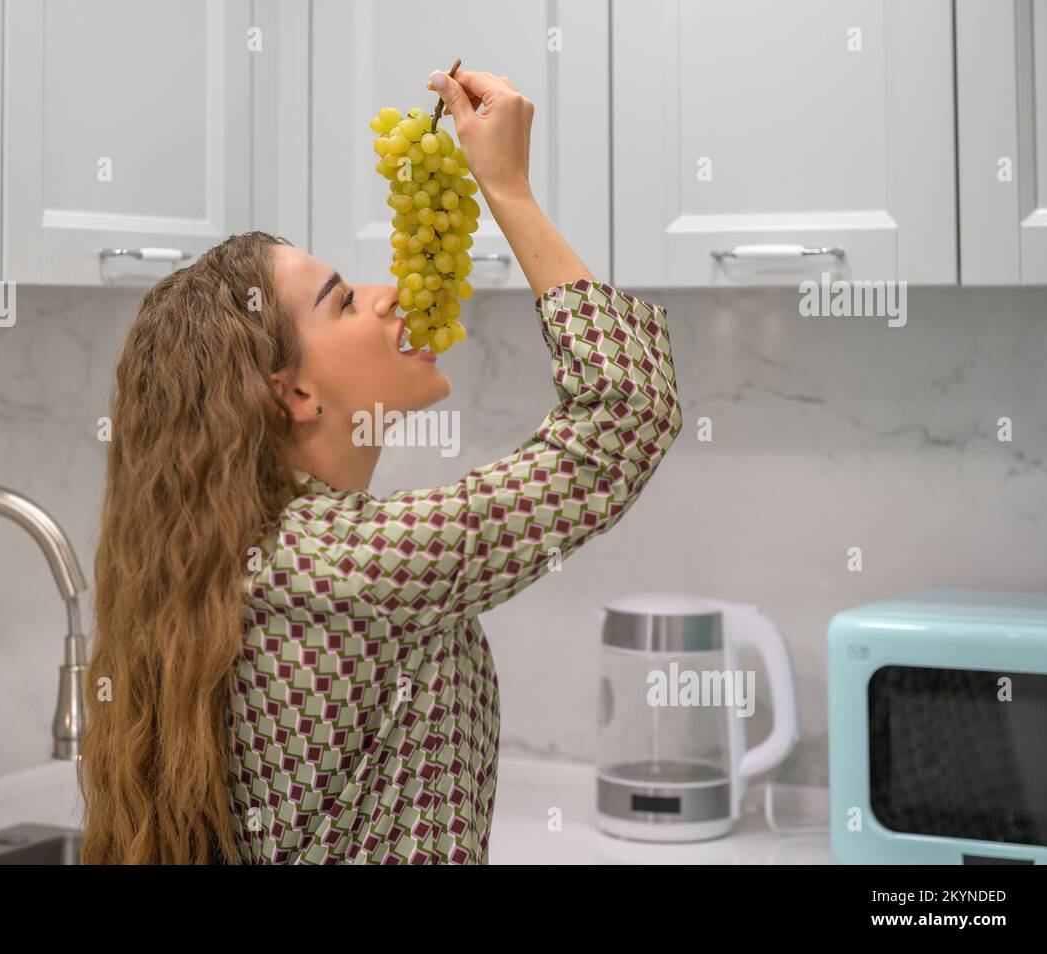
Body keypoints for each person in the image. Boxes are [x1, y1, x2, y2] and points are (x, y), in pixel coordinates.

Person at [78, 69, 683, 864]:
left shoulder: (276, 554)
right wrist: (507, 189)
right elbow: (625, 413)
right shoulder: (345, 566)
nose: (391, 294)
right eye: (342, 299)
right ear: (291, 391)